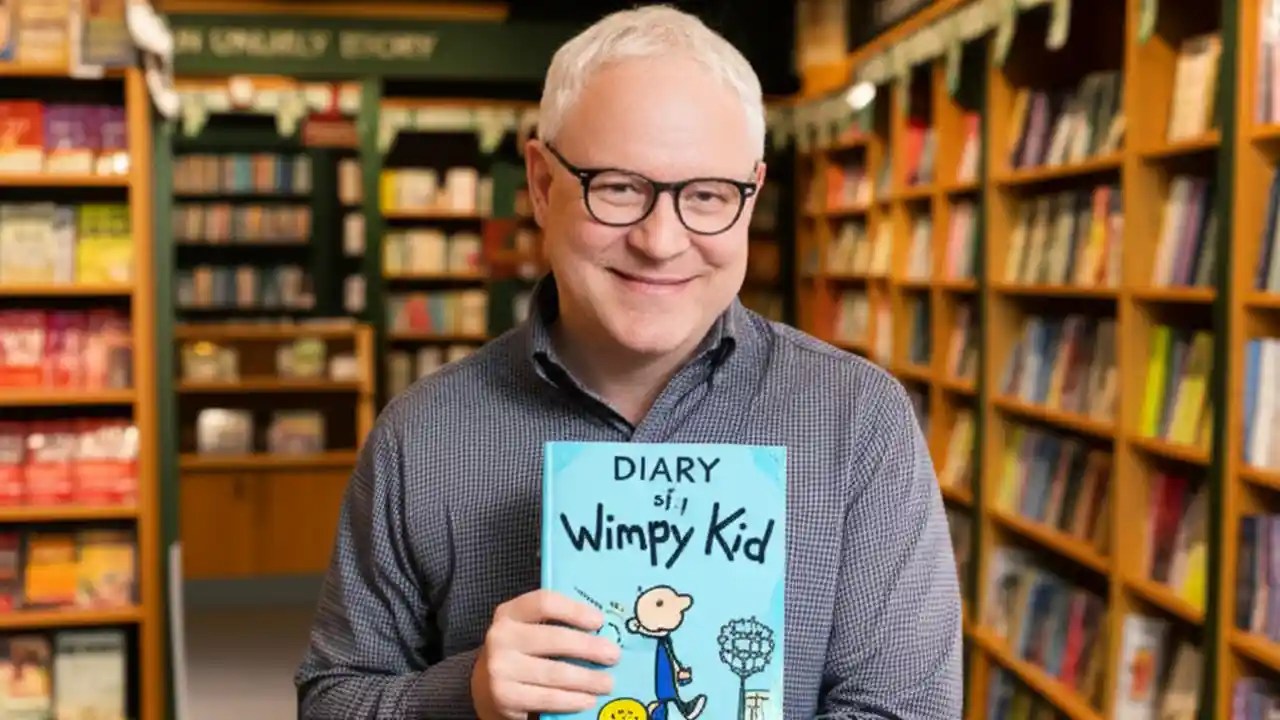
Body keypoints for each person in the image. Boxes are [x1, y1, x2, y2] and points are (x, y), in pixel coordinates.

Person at [294, 4, 963, 719]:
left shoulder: (858, 421)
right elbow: (333, 698)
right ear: (543, 186)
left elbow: (906, 710)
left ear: (751, 197)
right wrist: (464, 694)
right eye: (619, 188)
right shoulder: (421, 434)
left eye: (707, 195)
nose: (661, 240)